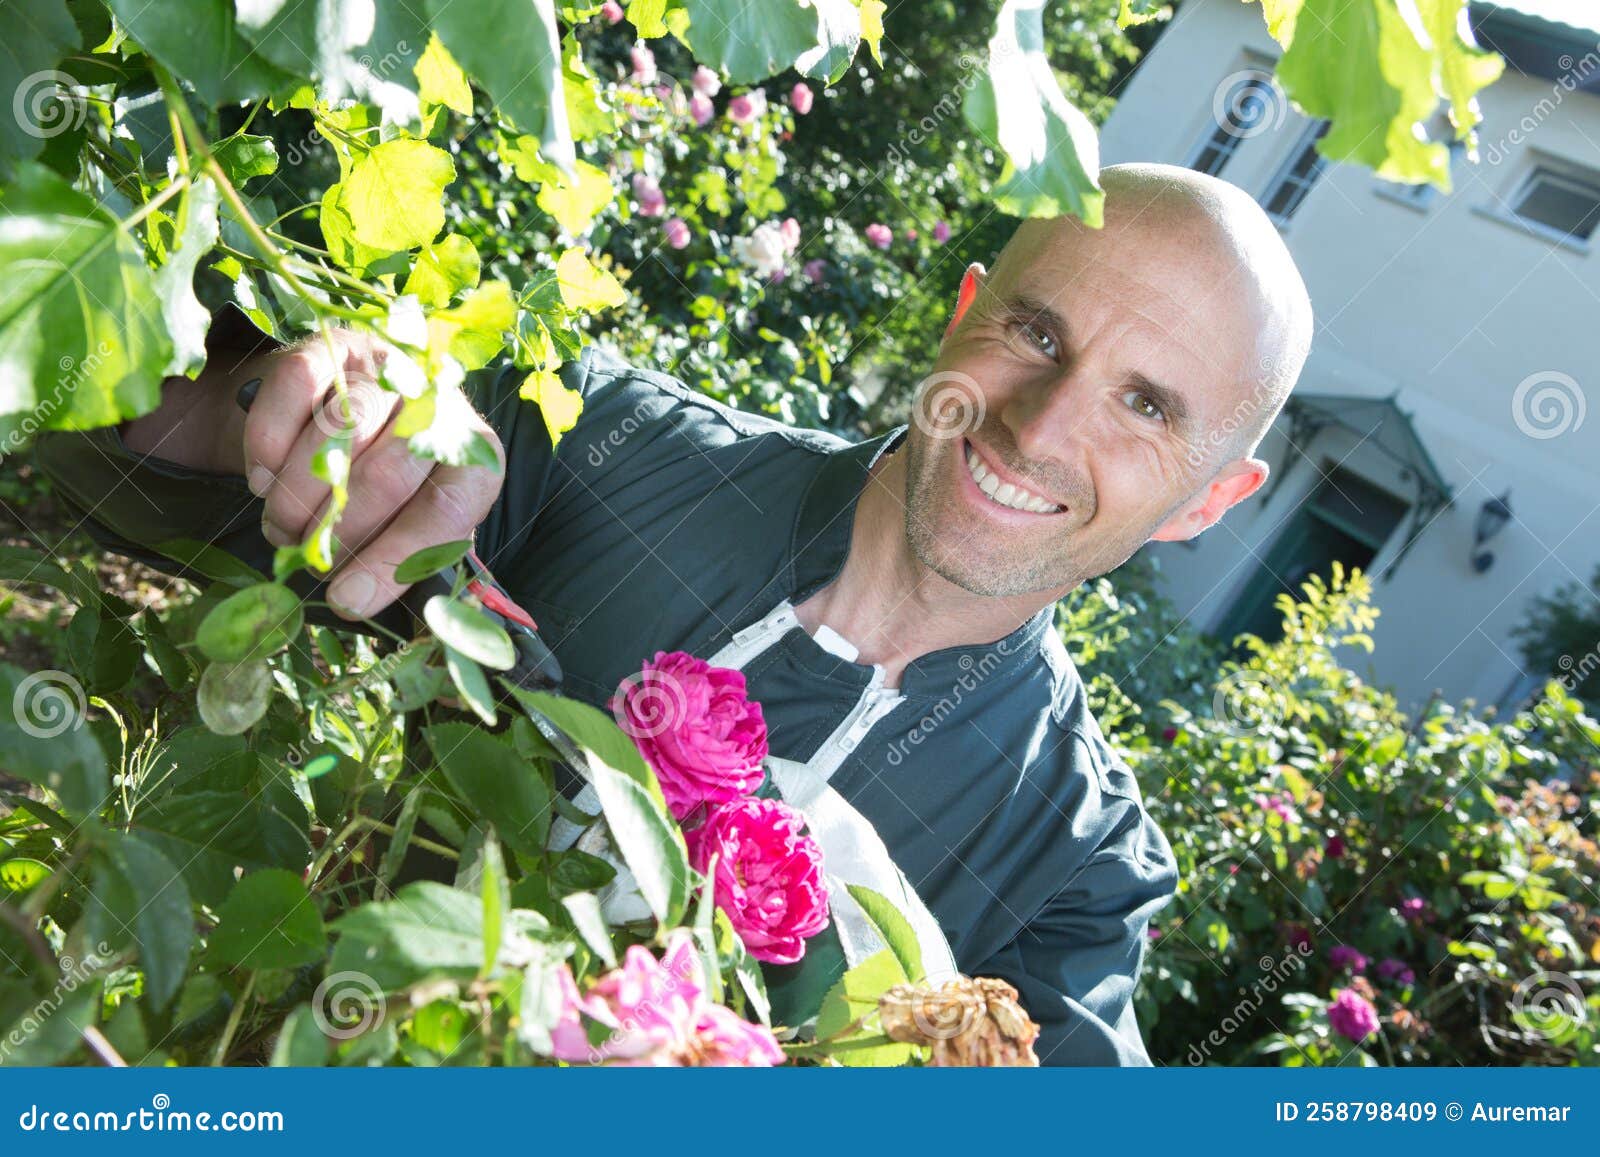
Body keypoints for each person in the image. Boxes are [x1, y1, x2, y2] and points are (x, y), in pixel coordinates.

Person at [38, 162, 1313, 1064]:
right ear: (963, 307)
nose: (1041, 426)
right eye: (1036, 331)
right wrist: (315, 401)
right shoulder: (606, 441)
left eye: (1147, 407)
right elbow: (149, 419)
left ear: (1212, 499)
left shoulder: (1074, 870)